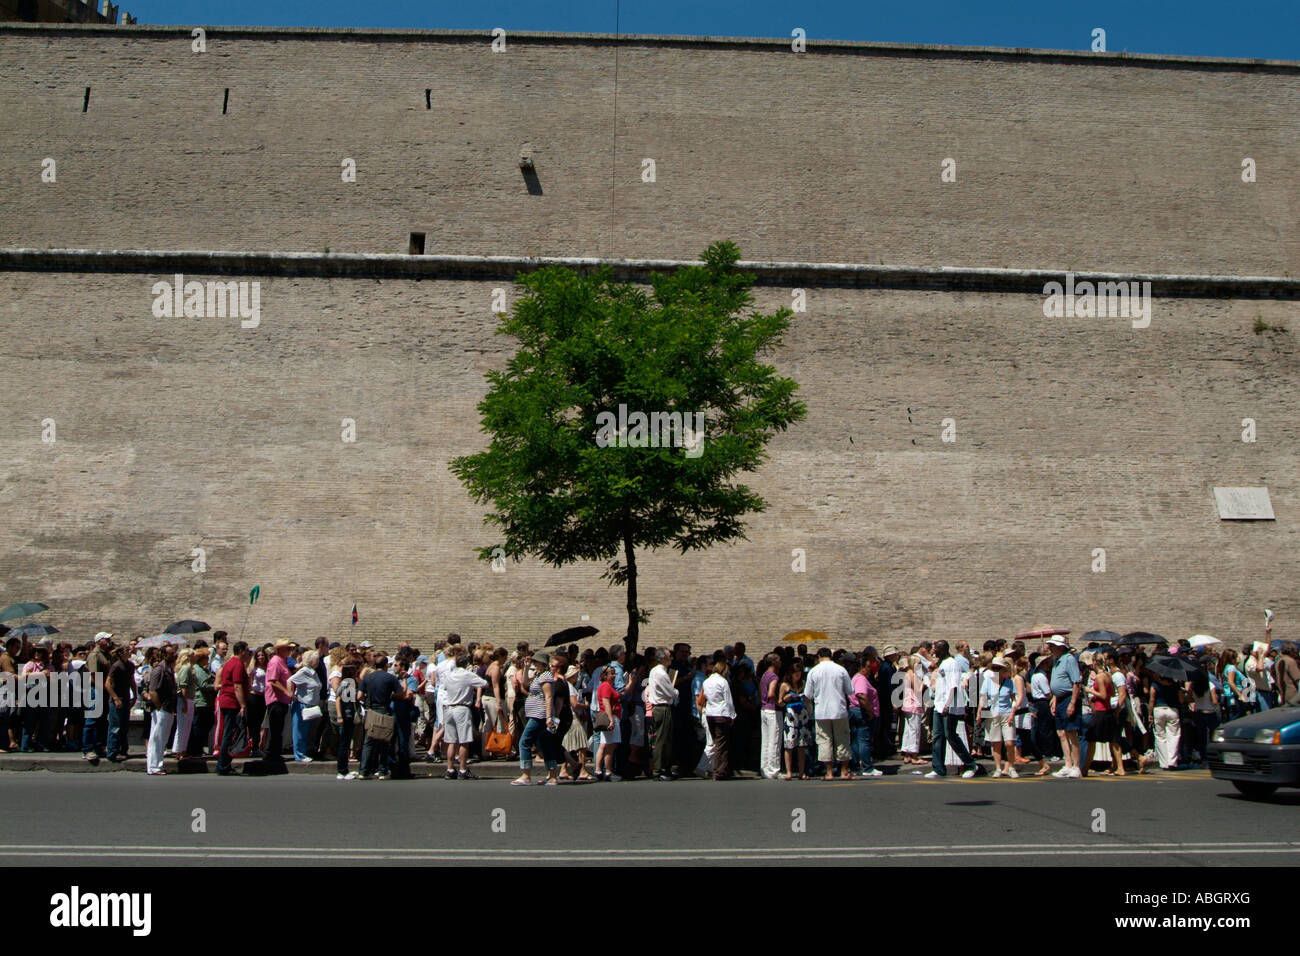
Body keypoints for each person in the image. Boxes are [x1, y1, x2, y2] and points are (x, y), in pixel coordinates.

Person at [926, 640, 979, 779]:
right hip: (939, 705)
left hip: (949, 707)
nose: (934, 651)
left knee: (951, 736)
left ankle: (970, 764)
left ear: (942, 649)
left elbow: (953, 686)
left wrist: (948, 705)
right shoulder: (942, 664)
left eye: (936, 649)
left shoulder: (951, 663)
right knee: (938, 736)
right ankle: (938, 768)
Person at [804, 647, 854, 781]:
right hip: (839, 709)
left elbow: (808, 694)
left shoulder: (813, 671)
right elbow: (850, 690)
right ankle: (844, 771)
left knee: (824, 740)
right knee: (842, 739)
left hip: (821, 711)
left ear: (819, 656)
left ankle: (829, 772)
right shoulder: (840, 669)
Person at [514, 651, 562, 785]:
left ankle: (526, 774)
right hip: (536, 713)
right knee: (544, 744)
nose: (534, 663)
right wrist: (526, 668)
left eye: (536, 662)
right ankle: (552, 775)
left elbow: (548, 696)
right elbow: (525, 684)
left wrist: (548, 717)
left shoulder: (546, 676)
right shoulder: (538, 675)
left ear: (543, 663)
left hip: (539, 714)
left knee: (524, 741)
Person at [440, 651, 488, 779]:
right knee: (464, 741)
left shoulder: (449, 675)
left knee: (451, 741)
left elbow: (444, 687)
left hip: (449, 707)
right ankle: (462, 769)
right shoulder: (467, 675)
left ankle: (450, 769)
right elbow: (484, 684)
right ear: (466, 663)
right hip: (462, 707)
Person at [359, 655, 407, 779]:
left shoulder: (367, 678)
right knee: (384, 742)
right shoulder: (390, 678)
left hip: (370, 711)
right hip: (384, 710)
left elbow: (359, 696)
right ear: (386, 665)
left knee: (368, 743)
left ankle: (364, 771)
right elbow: (401, 694)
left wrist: (367, 702)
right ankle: (382, 771)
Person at [1046, 638, 1083, 779]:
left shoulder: (1069, 659)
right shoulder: (1057, 660)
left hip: (1068, 697)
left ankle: (1076, 766)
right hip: (1059, 699)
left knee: (1071, 732)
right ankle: (1068, 764)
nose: (1050, 649)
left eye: (1053, 646)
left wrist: (1072, 703)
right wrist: (1055, 699)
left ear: (1060, 647)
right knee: (1061, 732)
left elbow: (1076, 682)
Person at [215, 641, 251, 775]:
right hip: (231, 702)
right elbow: (237, 685)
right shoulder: (237, 664)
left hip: (228, 701)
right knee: (229, 734)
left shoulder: (230, 663)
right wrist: (242, 705)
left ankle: (225, 764)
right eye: (246, 650)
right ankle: (223, 765)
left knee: (229, 733)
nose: (248, 653)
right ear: (241, 651)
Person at [981, 655, 1020, 778]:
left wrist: (1013, 713)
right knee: (996, 742)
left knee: (1009, 742)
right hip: (993, 713)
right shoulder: (988, 682)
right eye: (995, 668)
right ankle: (998, 767)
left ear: (1003, 670)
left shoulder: (1009, 682)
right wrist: (980, 713)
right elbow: (983, 698)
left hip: (1007, 713)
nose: (996, 671)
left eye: (999, 668)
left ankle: (1011, 767)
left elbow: (1014, 699)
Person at [146, 642, 179, 775]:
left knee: (163, 739)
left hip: (168, 708)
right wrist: (159, 707)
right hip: (162, 709)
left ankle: (158, 764)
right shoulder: (159, 669)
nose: (174, 655)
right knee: (157, 738)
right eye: (171, 654)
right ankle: (153, 766)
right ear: (164, 655)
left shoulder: (169, 669)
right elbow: (153, 691)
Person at [700, 660, 737, 780]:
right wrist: (732, 715)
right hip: (721, 713)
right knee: (722, 744)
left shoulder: (706, 681)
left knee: (717, 742)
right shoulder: (723, 681)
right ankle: (720, 771)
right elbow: (728, 700)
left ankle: (716, 769)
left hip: (710, 713)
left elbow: (705, 697)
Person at [81, 631, 113, 764]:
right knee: (92, 719)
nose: (109, 641)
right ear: (99, 641)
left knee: (101, 720)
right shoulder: (94, 654)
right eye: (106, 639)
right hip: (96, 689)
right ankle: (87, 748)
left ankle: (99, 745)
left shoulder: (106, 654)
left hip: (103, 689)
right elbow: (95, 675)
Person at [647, 648, 679, 781]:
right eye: (669, 656)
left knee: (665, 739)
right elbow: (670, 692)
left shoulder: (655, 671)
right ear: (663, 658)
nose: (671, 658)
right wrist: (676, 692)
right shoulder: (661, 673)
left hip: (659, 707)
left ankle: (664, 767)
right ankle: (659, 769)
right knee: (662, 739)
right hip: (662, 707)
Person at [587, 664, 622, 783]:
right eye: (611, 673)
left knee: (603, 744)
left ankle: (598, 770)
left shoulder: (604, 686)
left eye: (614, 673)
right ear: (605, 675)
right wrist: (611, 719)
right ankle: (607, 771)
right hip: (610, 717)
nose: (614, 675)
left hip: (607, 716)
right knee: (610, 746)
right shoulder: (606, 686)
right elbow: (606, 703)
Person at [263, 639, 294, 769]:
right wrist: (287, 691)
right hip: (276, 700)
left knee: (278, 728)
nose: (290, 651)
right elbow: (273, 681)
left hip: (282, 700)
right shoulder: (276, 662)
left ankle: (275, 752)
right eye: (287, 649)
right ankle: (271, 753)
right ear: (280, 649)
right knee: (275, 728)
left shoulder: (283, 661)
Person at [850, 655, 882, 777]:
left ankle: (855, 766)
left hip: (855, 711)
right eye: (867, 667)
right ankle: (867, 767)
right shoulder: (861, 679)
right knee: (864, 740)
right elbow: (861, 695)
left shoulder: (856, 678)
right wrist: (869, 711)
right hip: (861, 712)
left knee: (856, 740)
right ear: (861, 667)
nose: (869, 669)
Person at [779, 659, 812, 779]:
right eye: (795, 673)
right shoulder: (785, 685)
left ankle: (802, 772)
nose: (797, 676)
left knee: (802, 745)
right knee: (789, 744)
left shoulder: (803, 683)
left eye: (799, 673)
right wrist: (785, 699)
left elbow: (809, 697)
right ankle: (788, 771)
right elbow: (779, 703)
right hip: (790, 715)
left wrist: (806, 698)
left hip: (802, 715)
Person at [289, 649, 323, 762]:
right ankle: (299, 755)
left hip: (311, 706)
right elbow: (290, 680)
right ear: (310, 660)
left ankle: (304, 752)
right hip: (302, 705)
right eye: (316, 660)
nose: (318, 662)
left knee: (306, 731)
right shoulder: (304, 671)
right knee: (299, 731)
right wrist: (291, 695)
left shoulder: (314, 673)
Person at [105, 644, 135, 762]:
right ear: (121, 653)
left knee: (124, 726)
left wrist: (135, 695)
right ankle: (112, 751)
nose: (129, 651)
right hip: (117, 698)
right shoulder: (116, 666)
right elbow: (107, 684)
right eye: (127, 650)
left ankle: (123, 749)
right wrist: (115, 698)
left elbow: (131, 680)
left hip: (126, 698)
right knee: (115, 726)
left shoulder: (130, 665)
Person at [185, 646, 216, 757]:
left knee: (204, 725)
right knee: (199, 726)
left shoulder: (203, 669)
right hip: (201, 702)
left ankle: (198, 747)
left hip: (206, 702)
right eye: (206, 657)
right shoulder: (198, 670)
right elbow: (204, 685)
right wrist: (216, 686)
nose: (208, 659)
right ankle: (194, 748)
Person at [1148, 673, 1183, 770]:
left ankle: (1164, 763)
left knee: (1160, 737)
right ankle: (1172, 761)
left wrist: (1150, 714)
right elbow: (1181, 700)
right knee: (1173, 736)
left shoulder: (1155, 685)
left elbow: (1152, 700)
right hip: (1173, 710)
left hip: (1158, 710)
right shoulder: (1176, 685)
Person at [756, 653, 782, 779]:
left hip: (764, 709)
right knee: (774, 740)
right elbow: (771, 693)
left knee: (765, 741)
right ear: (774, 662)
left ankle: (765, 768)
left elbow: (761, 694)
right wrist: (779, 703)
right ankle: (773, 769)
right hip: (772, 710)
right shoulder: (773, 676)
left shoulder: (764, 675)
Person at [898, 654, 925, 764]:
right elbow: (918, 690)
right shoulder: (912, 675)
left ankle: (907, 754)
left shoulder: (906, 674)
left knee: (908, 730)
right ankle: (914, 756)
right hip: (914, 704)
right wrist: (924, 682)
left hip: (907, 704)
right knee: (915, 730)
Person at [1220, 649, 1247, 722]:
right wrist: (1240, 695)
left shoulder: (1227, 667)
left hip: (1231, 695)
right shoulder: (1231, 668)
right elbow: (1231, 682)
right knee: (1236, 717)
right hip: (1233, 696)